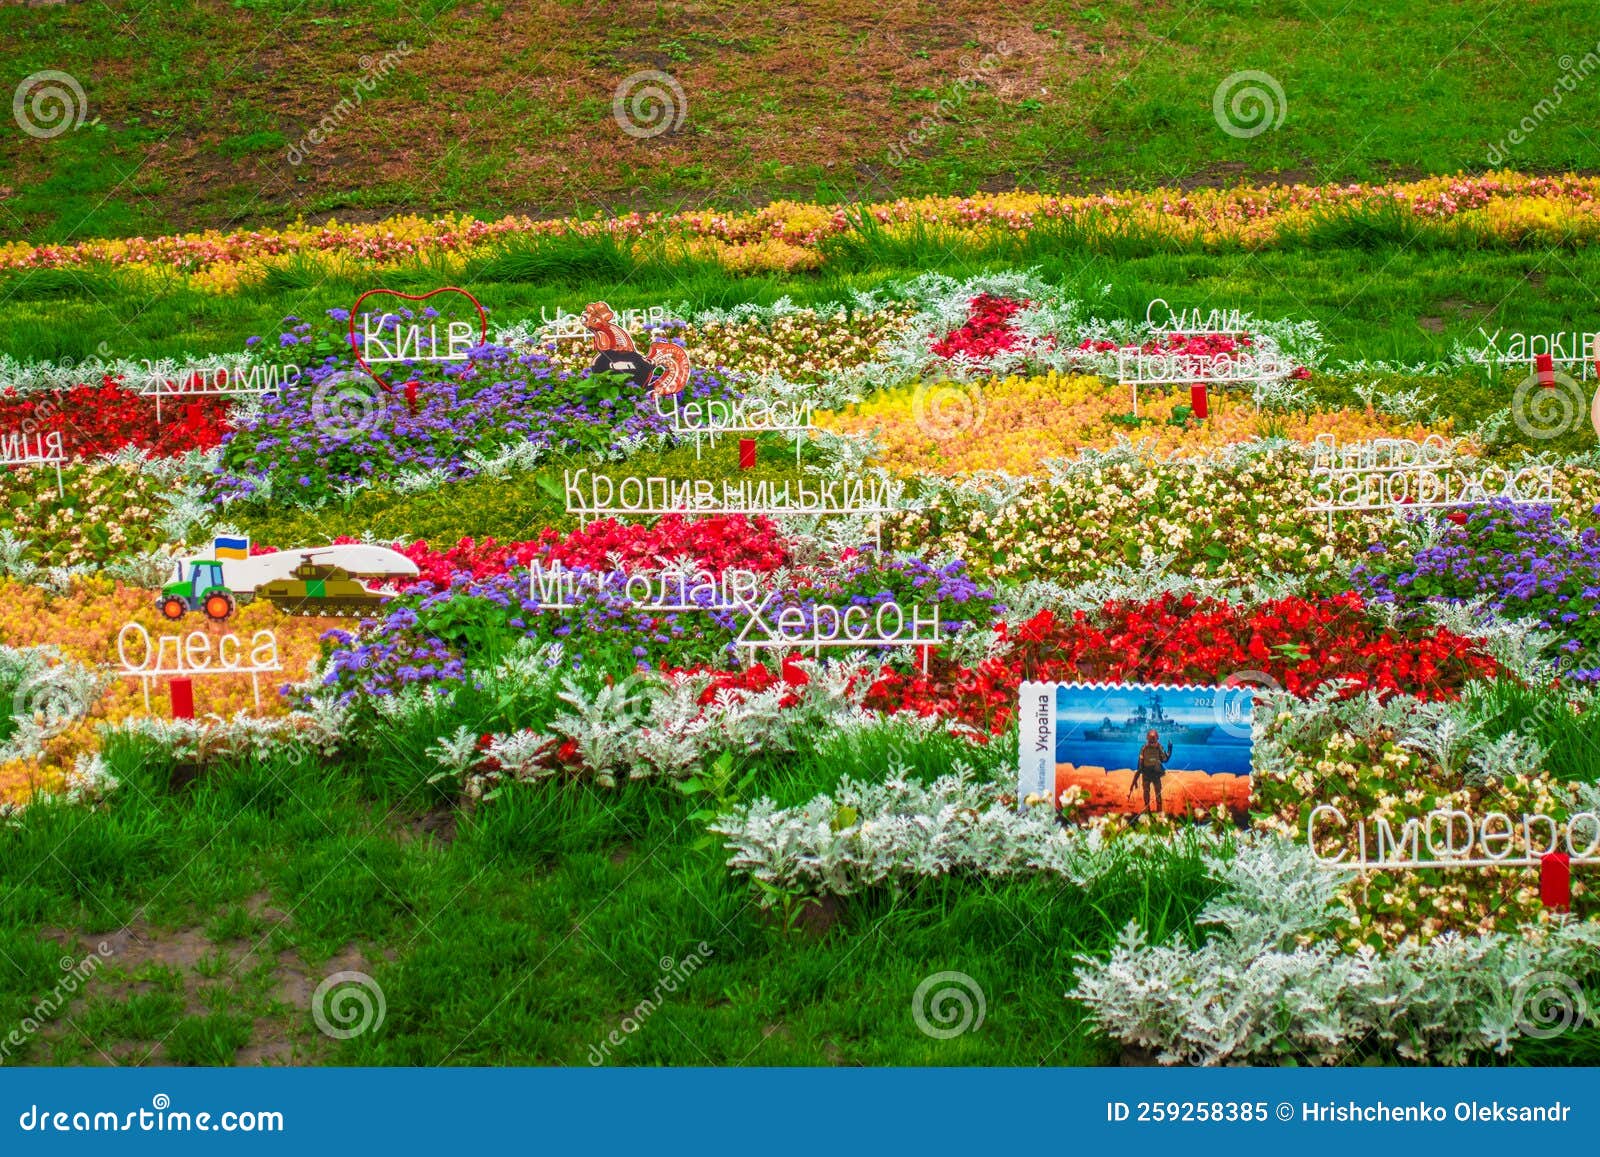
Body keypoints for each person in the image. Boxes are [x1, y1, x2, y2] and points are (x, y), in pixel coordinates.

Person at [1134, 729, 1172, 813]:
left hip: (1148, 773)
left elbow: (1140, 764)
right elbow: (1165, 759)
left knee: (1147, 791)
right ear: (1157, 738)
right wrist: (1170, 749)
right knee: (1156, 792)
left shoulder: (1144, 748)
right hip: (1154, 773)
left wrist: (1137, 776)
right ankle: (1158, 811)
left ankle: (1149, 810)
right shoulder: (1158, 747)